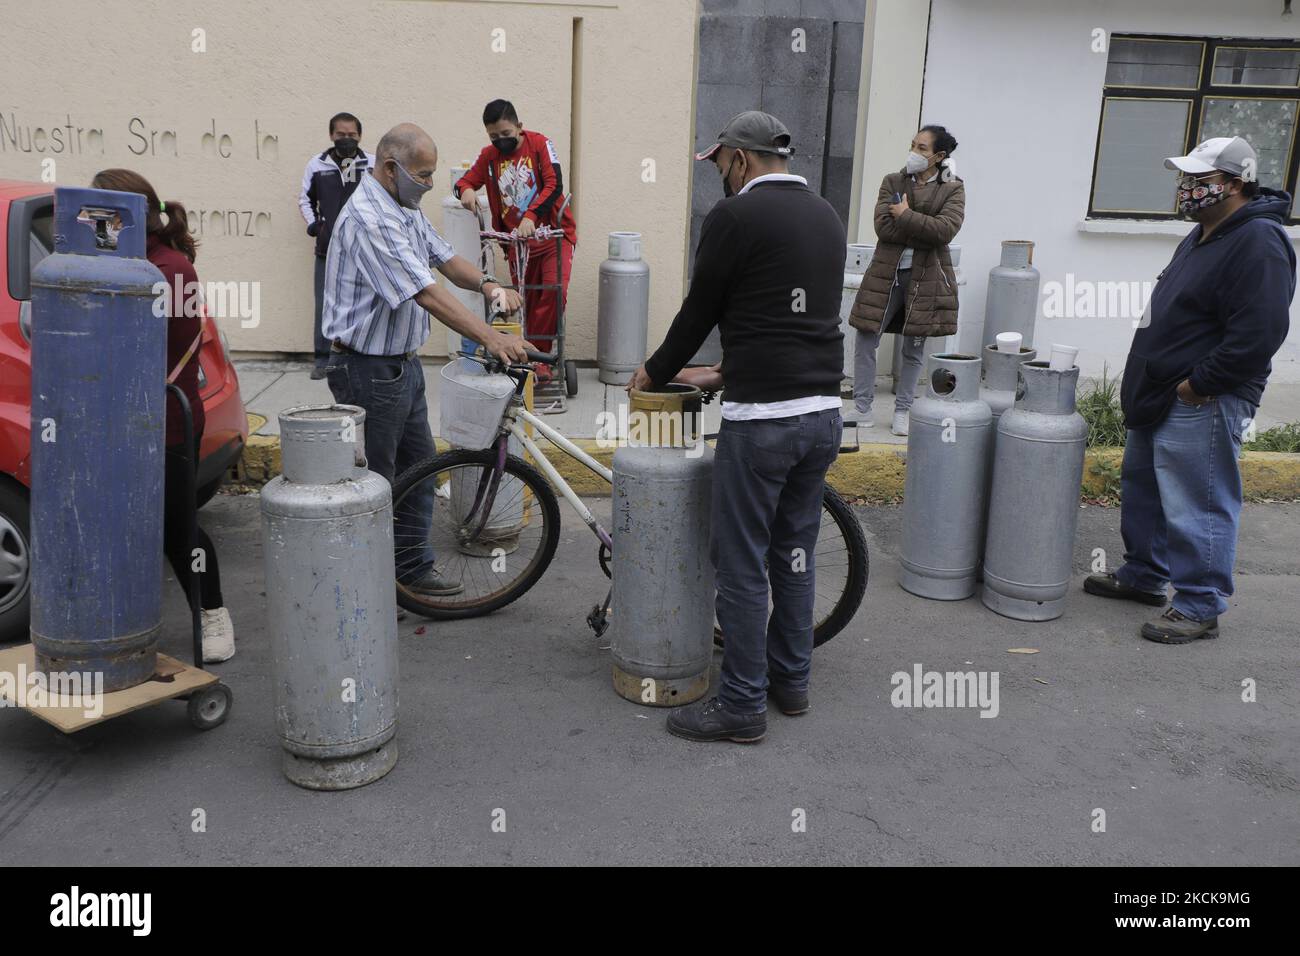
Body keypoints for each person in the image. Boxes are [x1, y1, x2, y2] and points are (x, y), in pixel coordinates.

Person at [628, 111, 845, 744]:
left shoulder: (735, 217)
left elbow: (701, 310)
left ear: (741, 160)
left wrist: (653, 371)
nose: (720, 177)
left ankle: (743, 704)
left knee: (742, 563)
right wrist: (727, 370)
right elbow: (792, 316)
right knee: (794, 553)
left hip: (763, 425)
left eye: (721, 165)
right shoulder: (827, 216)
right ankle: (791, 682)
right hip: (820, 414)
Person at [1084, 136, 1294, 643]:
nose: (1185, 188)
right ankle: (1145, 575)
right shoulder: (1203, 234)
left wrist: (1199, 385)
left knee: (1197, 501)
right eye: (1184, 178)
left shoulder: (1259, 240)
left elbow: (1260, 332)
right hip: (1161, 391)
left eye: (1198, 180)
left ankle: (1200, 604)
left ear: (1236, 184)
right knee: (1146, 489)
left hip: (1203, 396)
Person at [322, 122, 529, 597]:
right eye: (423, 174)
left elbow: (446, 259)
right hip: (366, 370)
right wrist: (490, 338)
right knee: (377, 484)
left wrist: (489, 285)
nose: (430, 184)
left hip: (401, 366)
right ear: (389, 168)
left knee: (419, 471)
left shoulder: (403, 206)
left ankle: (411, 569)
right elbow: (426, 293)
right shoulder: (370, 219)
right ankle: (368, 592)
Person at [89, 168, 236, 663]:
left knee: (177, 527)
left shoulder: (167, 270)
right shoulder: (125, 262)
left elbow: (137, 346)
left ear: (129, 216)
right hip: (122, 420)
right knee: (127, 524)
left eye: (100, 217)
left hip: (165, 421)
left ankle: (213, 614)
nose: (94, 227)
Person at [848, 125, 964, 435]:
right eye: (913, 145)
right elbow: (883, 228)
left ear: (939, 155)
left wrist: (904, 214)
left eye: (922, 148)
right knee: (866, 337)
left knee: (914, 346)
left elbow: (945, 231)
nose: (914, 152)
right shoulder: (893, 181)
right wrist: (922, 226)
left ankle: (903, 410)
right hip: (886, 272)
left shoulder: (953, 188)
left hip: (926, 277)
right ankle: (862, 408)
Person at [454, 99, 577, 384]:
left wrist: (532, 216)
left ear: (519, 127)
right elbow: (464, 182)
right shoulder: (489, 156)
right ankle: (528, 357)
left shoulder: (539, 144)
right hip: (517, 246)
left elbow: (554, 183)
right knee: (526, 301)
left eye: (506, 134)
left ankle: (541, 357)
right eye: (494, 137)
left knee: (553, 292)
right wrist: (465, 190)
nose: (501, 141)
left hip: (552, 237)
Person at [299, 112, 375, 379]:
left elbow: (383, 198)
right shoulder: (317, 165)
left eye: (352, 135)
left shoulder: (371, 164)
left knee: (364, 303)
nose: (346, 139)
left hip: (364, 248)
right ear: (332, 135)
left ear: (360, 136)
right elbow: (305, 200)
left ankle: (361, 355)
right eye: (341, 135)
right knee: (325, 303)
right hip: (328, 248)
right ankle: (323, 359)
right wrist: (316, 227)